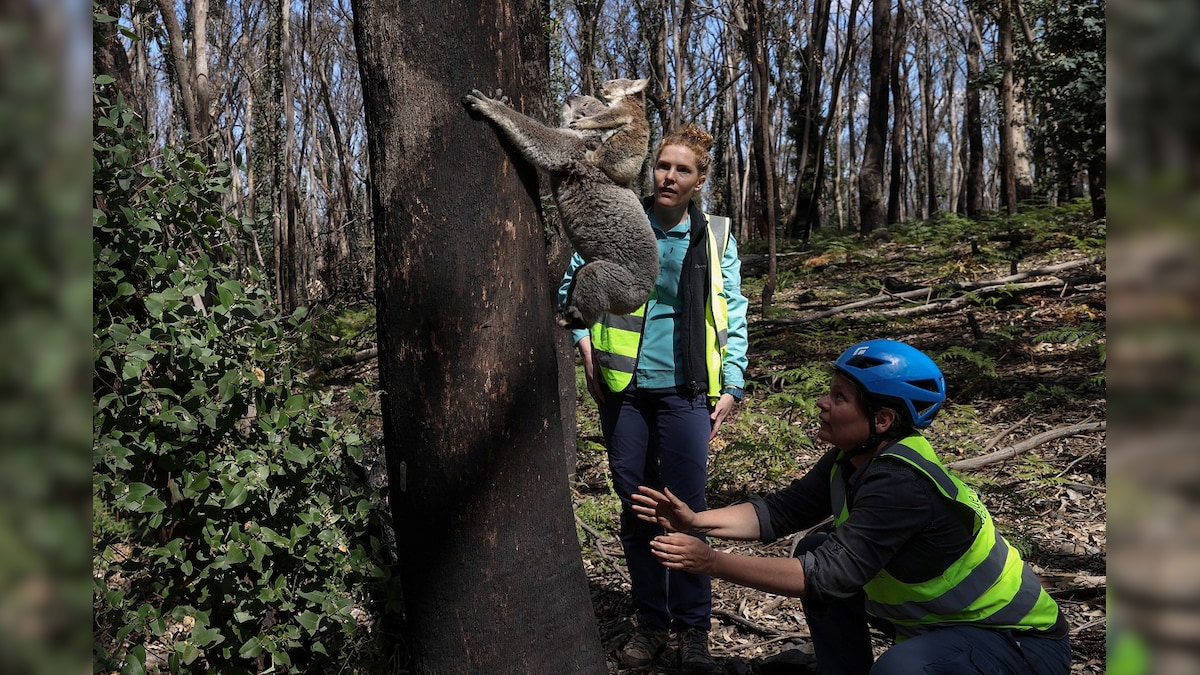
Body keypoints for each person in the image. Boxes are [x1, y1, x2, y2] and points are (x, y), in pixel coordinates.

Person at [632, 339, 1072, 675]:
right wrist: (696, 521)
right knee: (817, 543)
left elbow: (825, 576)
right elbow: (783, 511)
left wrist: (710, 562)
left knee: (899, 669)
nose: (822, 403)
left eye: (839, 397)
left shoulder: (901, 484)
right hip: (940, 628)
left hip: (1018, 644)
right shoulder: (854, 457)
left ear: (882, 420)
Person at [558, 124, 749, 674]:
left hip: (688, 390)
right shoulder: (622, 219)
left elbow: (732, 310)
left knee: (686, 511)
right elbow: (578, 277)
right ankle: (651, 623)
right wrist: (584, 343)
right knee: (638, 507)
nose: (668, 176)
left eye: (681, 169)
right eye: (662, 166)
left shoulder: (714, 234)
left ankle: (694, 630)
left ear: (698, 179)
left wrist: (732, 383)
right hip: (625, 390)